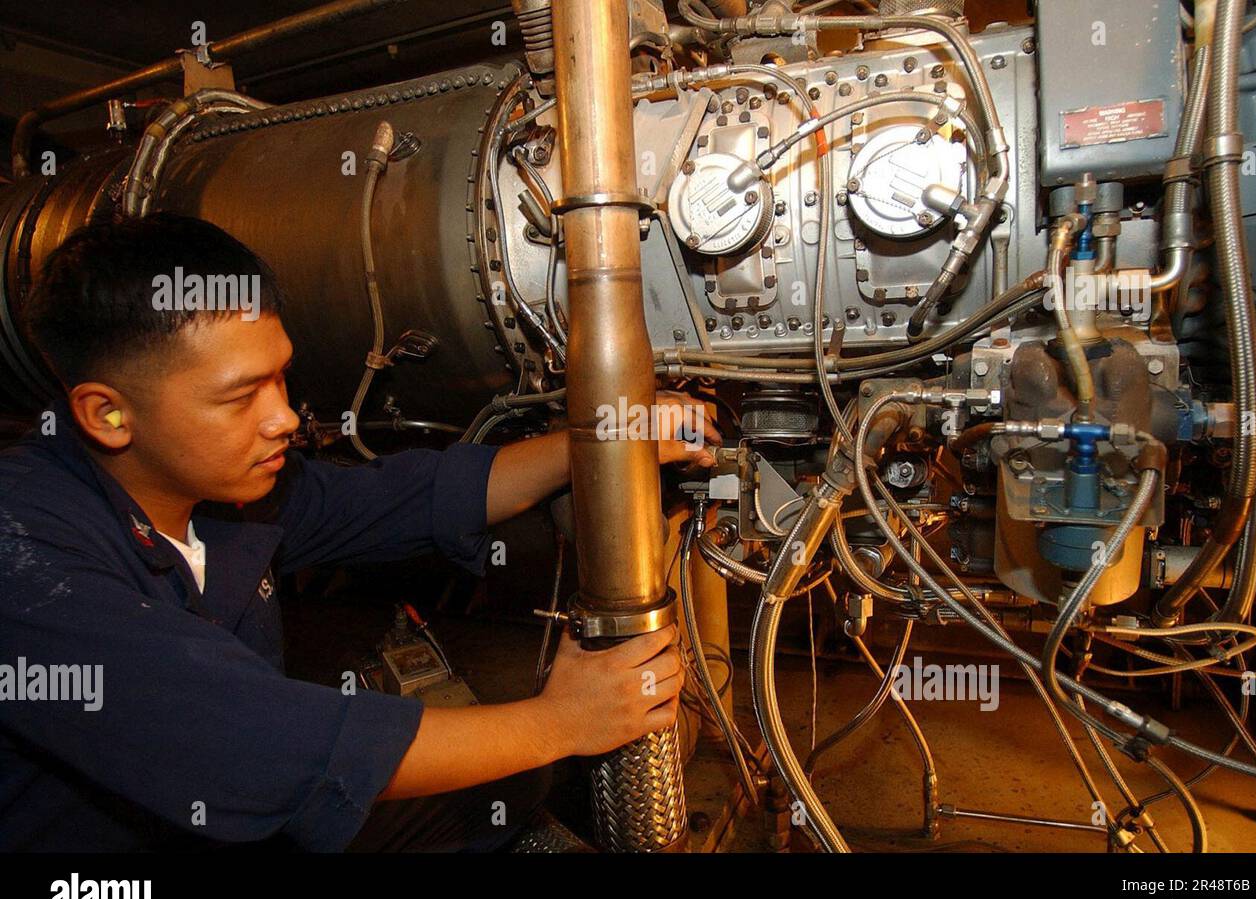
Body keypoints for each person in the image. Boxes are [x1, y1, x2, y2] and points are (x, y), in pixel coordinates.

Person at [0, 213, 718, 851]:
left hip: (243, 817)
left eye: (280, 378)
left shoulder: (226, 493)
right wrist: (561, 721)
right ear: (107, 414)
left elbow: (404, 498)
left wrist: (602, 438)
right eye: (240, 395)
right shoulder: (26, 556)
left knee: (499, 789)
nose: (282, 417)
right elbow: (253, 745)